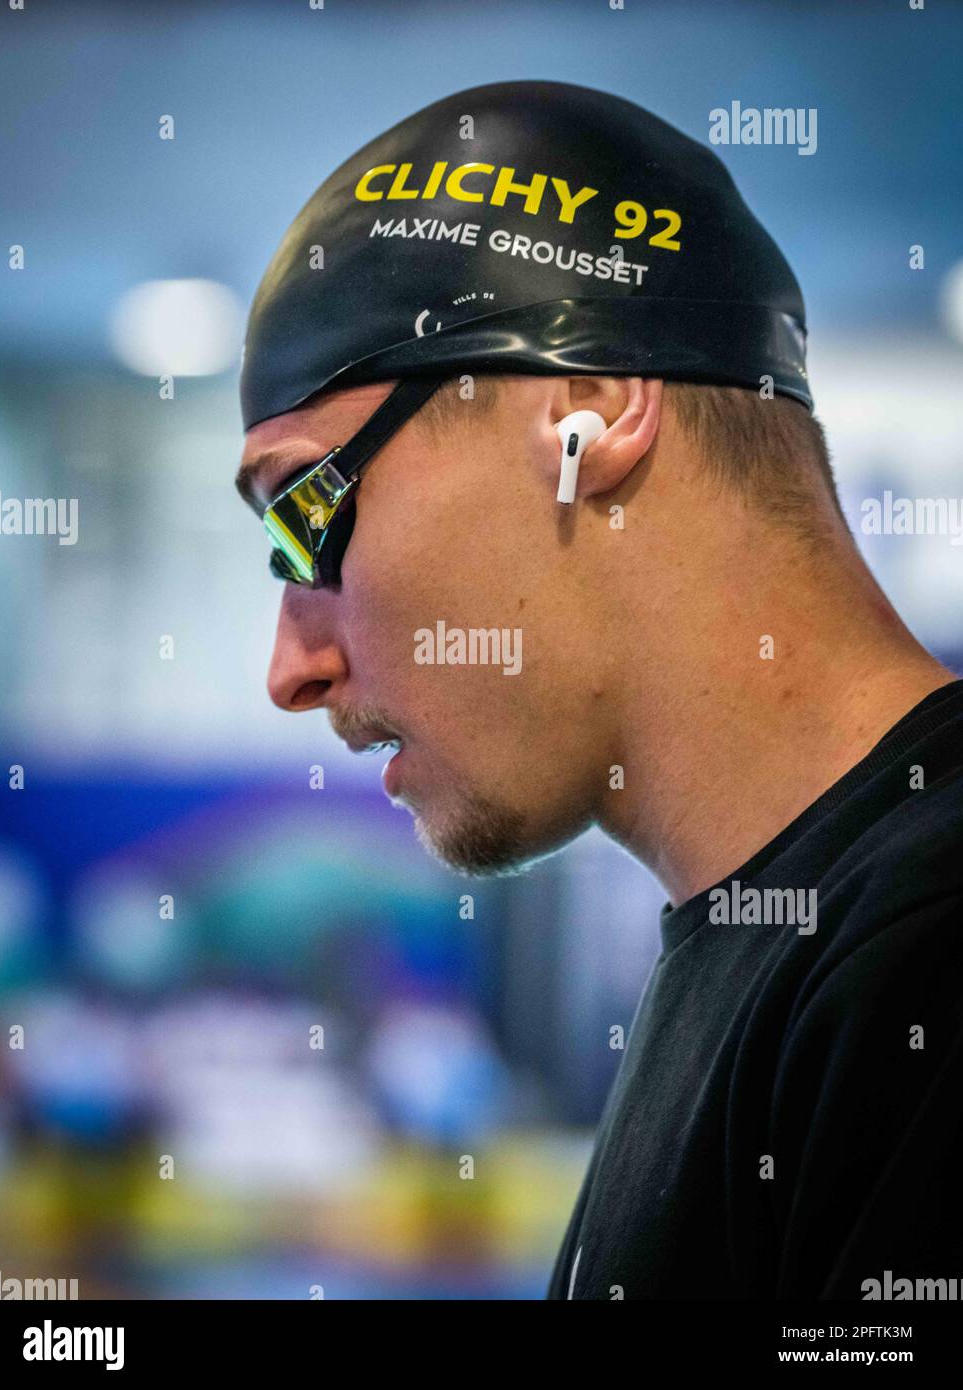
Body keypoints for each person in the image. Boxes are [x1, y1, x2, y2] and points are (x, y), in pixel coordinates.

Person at [235, 80, 963, 1299]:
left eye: (309, 515)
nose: (289, 668)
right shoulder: (767, 945)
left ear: (592, 411)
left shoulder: (924, 951)